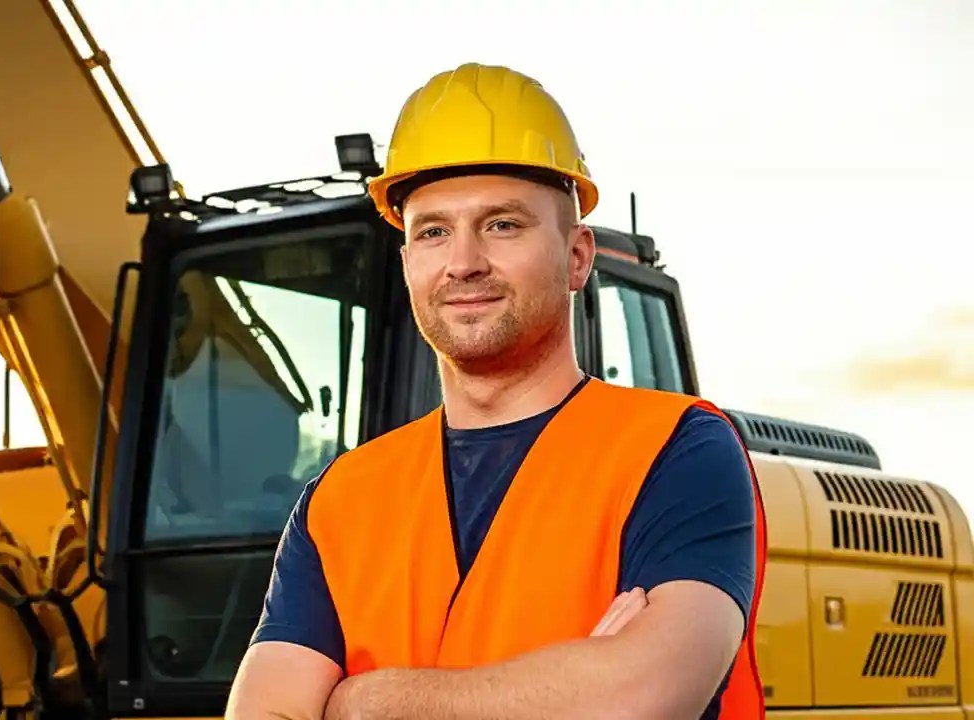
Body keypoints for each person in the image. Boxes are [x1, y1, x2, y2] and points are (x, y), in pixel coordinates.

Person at [225, 62, 767, 720]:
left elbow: (638, 696)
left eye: (503, 225)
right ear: (408, 265)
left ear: (577, 257)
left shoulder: (675, 451)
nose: (463, 262)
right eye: (432, 231)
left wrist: (363, 703)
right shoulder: (340, 501)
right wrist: (563, 684)